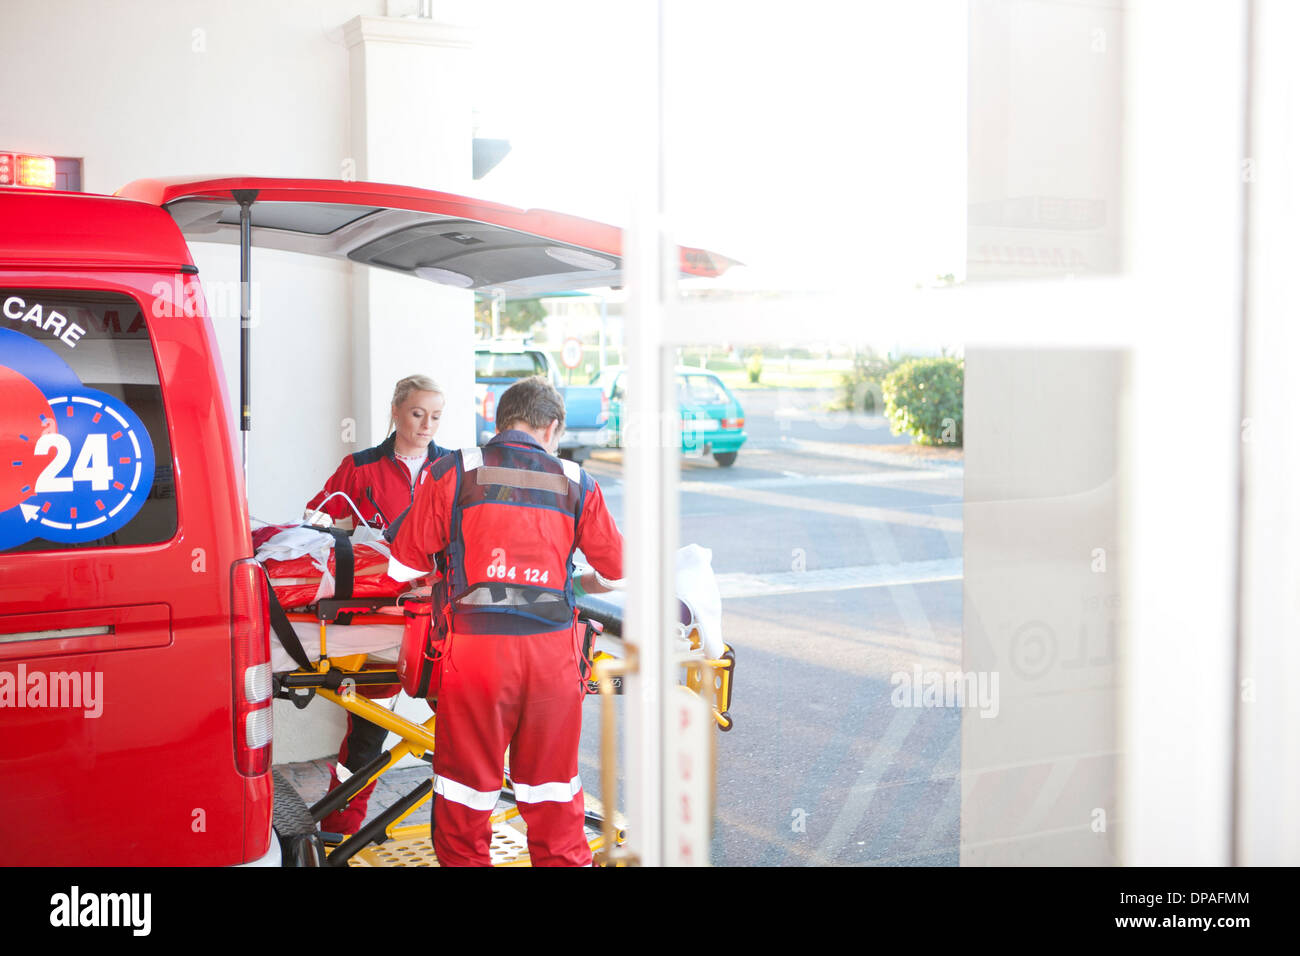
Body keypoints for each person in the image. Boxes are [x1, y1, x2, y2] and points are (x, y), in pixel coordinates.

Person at [387, 375, 624, 866]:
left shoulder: (455, 471)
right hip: (554, 659)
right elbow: (617, 571)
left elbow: (404, 563)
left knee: (466, 795)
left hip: (475, 657)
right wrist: (566, 578)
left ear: (500, 423)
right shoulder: (579, 481)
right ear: (553, 426)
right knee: (553, 792)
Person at [304, 373, 451, 835]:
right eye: (417, 413)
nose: (427, 425)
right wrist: (354, 538)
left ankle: (463, 829)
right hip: (378, 616)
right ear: (395, 411)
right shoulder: (361, 466)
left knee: (462, 725)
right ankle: (340, 829)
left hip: (440, 617)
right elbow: (313, 519)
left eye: (435, 416)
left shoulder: (454, 468)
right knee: (367, 734)